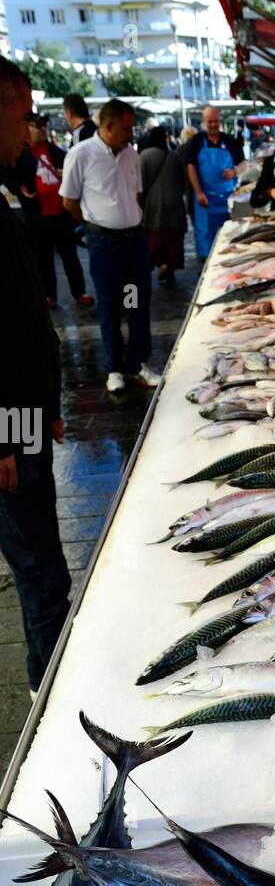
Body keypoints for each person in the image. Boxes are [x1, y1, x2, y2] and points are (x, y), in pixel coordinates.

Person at [0, 56, 72, 698]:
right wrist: (4, 435)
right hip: (4, 426)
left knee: (43, 550)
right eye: (22, 116)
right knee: (41, 566)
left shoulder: (3, 190)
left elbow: (18, 321)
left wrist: (42, 403)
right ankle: (48, 694)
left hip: (21, 414)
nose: (30, 134)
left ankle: (50, 675)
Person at [60, 98, 159, 394]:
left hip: (134, 241)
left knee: (136, 303)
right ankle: (115, 367)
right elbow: (69, 201)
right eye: (126, 128)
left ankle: (138, 363)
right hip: (104, 243)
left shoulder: (131, 154)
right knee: (110, 307)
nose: (131, 134)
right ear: (108, 125)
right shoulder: (81, 155)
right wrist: (91, 226)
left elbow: (135, 194)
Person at [21, 114, 93, 310]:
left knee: (70, 256)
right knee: (44, 259)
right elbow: (12, 175)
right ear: (27, 128)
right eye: (37, 126)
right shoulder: (21, 154)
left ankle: (79, 291)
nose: (42, 129)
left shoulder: (57, 152)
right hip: (39, 217)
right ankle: (49, 295)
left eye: (44, 126)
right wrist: (18, 188)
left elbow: (72, 174)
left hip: (60, 215)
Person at [185, 106, 244, 258]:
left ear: (220, 121)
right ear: (204, 122)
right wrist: (198, 192)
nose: (213, 125)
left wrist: (234, 171)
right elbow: (190, 167)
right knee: (206, 239)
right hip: (205, 200)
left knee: (230, 237)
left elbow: (244, 164)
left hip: (228, 199)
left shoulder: (230, 141)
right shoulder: (196, 142)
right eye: (210, 122)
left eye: (216, 121)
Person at [139, 125, 186, 286]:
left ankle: (156, 267)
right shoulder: (174, 156)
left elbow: (141, 185)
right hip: (175, 207)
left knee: (155, 241)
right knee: (172, 242)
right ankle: (169, 269)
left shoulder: (144, 156)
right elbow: (183, 182)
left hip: (154, 208)